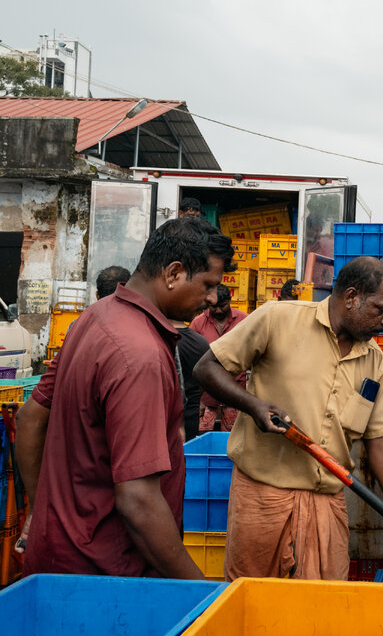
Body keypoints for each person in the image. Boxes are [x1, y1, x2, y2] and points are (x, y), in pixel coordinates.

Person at [22, 217, 233, 577]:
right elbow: (138, 501)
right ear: (173, 273)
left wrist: (43, 510)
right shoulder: (139, 355)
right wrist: (199, 592)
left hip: (56, 555)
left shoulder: (94, 317)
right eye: (209, 285)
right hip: (107, 573)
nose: (212, 299)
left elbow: (30, 418)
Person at [193, 256, 383, 581]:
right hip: (262, 497)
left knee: (321, 612)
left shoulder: (375, 362)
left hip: (327, 504)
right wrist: (253, 405)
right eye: (381, 309)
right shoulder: (278, 319)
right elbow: (207, 367)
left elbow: (379, 437)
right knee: (252, 604)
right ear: (351, 297)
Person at [14, 265, 133, 554]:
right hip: (106, 503)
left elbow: (27, 416)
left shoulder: (80, 327)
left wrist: (36, 506)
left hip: (69, 477)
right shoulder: (132, 338)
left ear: (95, 292)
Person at [190, 284, 249, 433]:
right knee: (202, 436)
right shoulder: (198, 323)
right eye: (213, 307)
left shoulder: (244, 320)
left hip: (235, 393)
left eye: (222, 306)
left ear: (230, 300)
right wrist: (197, 399)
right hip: (207, 395)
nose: (217, 310)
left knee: (233, 438)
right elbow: (192, 359)